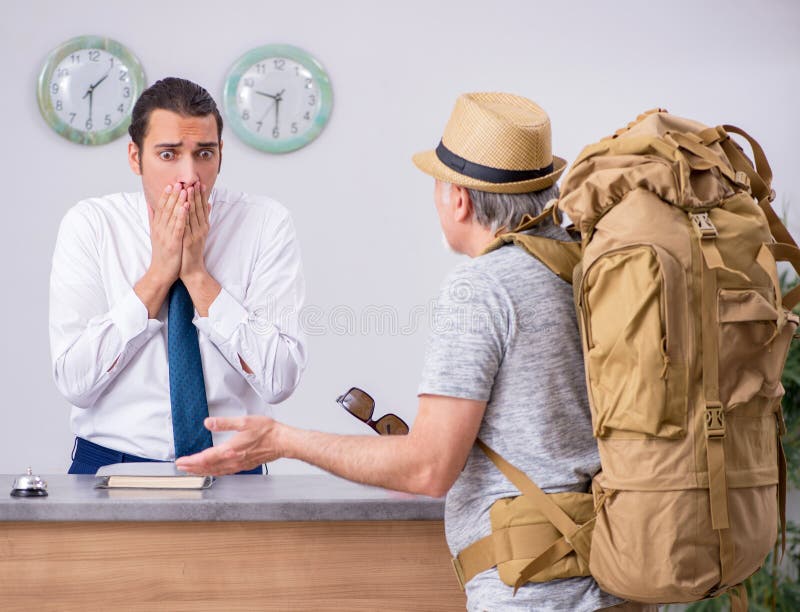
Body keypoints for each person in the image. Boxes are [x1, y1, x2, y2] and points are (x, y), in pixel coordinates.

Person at [177, 93, 625, 610]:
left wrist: (282, 440)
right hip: (611, 576)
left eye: (437, 185)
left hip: (537, 590)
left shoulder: (483, 287)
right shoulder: (583, 267)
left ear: (458, 199)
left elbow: (428, 470)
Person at [49, 77, 306, 475]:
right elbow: (76, 383)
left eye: (204, 153)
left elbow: (279, 381)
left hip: (233, 465)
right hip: (109, 464)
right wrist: (158, 275)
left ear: (221, 154)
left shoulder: (265, 224)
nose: (190, 176)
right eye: (168, 155)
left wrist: (197, 275)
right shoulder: (92, 226)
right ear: (135, 157)